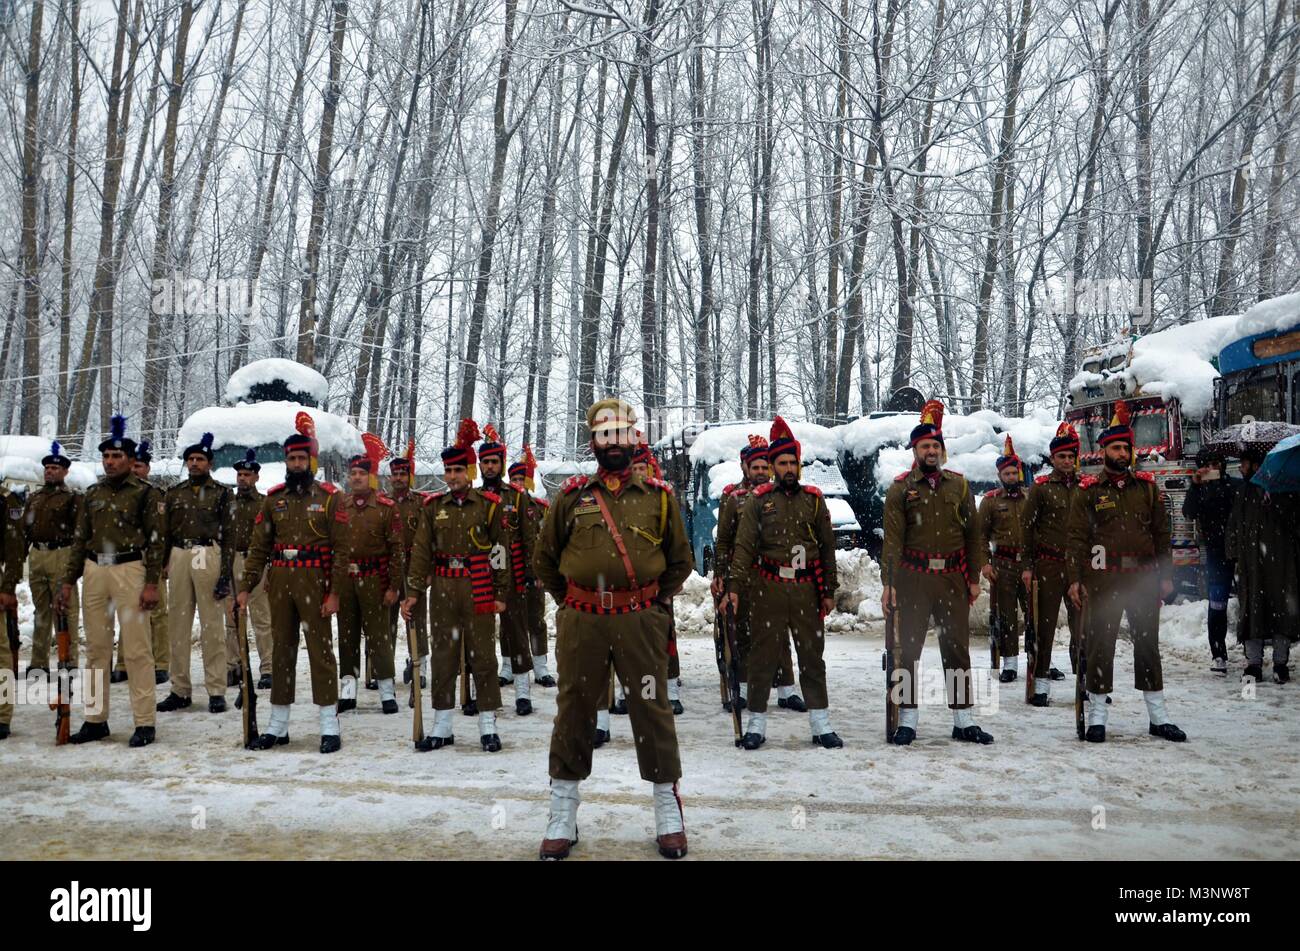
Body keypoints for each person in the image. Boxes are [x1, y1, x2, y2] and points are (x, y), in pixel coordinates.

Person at [534, 399, 692, 860]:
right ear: (594, 442)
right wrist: (572, 603)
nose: (614, 443)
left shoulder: (659, 497)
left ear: (634, 438)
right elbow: (545, 560)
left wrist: (649, 605)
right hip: (583, 622)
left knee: (652, 708)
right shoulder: (569, 497)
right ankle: (563, 813)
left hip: (639, 623)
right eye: (606, 435)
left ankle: (668, 811)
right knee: (574, 711)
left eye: (622, 434)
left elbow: (679, 562)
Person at [1066, 401, 1186, 743]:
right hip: (1104, 579)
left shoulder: (1147, 489)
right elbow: (1076, 539)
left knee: (1148, 645)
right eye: (1116, 447)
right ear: (1103, 450)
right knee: (1101, 645)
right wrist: (1075, 578)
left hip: (1143, 579)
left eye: (1126, 448)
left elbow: (1163, 535)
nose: (1122, 453)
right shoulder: (1089, 492)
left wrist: (1166, 576)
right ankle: (1098, 717)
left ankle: (1158, 716)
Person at [726, 417, 842, 750]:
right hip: (769, 587)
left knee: (812, 657)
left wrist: (828, 591)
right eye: (782, 462)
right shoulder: (759, 500)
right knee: (763, 657)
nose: (789, 468)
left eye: (793, 462)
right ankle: (756, 725)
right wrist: (734, 586)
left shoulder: (814, 499)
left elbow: (827, 547)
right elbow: (745, 546)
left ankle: (821, 724)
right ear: (774, 466)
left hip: (806, 589)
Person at [236, 416, 351, 754]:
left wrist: (334, 593)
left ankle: (329, 723)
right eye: (292, 458)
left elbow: (342, 551)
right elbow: (259, 548)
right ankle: (278, 725)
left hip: (315, 580)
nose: (297, 464)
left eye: (302, 458)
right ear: (285, 461)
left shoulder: (330, 498)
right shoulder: (273, 500)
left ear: (311, 461)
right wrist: (245, 586)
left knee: (320, 652)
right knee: (281, 651)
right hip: (281, 581)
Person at [880, 400, 991, 746]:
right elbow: (893, 542)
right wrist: (890, 584)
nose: (931, 450)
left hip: (951, 579)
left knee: (956, 648)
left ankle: (963, 720)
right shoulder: (900, 490)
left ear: (943, 450)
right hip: (913, 579)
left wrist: (973, 577)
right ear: (915, 450)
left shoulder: (958, 486)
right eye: (925, 445)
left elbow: (974, 535)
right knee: (907, 650)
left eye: (936, 446)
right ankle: (908, 720)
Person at [402, 419, 510, 752]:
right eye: (448, 470)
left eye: (458, 470)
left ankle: (488, 725)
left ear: (470, 472)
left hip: (478, 584)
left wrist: (502, 594)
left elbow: (500, 551)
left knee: (483, 656)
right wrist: (414, 593)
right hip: (445, 588)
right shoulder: (433, 508)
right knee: (444, 656)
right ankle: (442, 725)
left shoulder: (489, 506)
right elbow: (421, 552)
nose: (452, 477)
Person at [58, 415, 165, 747]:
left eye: (117, 456)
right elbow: (80, 539)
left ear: (131, 460)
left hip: (129, 569)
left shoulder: (146, 493)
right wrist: (67, 581)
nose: (110, 461)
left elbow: (157, 540)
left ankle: (144, 722)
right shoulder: (92, 494)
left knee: (136, 650)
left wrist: (151, 584)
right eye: (106, 456)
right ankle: (95, 719)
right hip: (94, 571)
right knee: (96, 650)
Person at [712, 437, 803, 713]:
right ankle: (741, 689)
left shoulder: (782, 495)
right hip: (744, 575)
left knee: (779, 634)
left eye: (765, 466)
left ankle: (786, 690)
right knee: (741, 633)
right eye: (756, 467)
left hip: (774, 575)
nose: (761, 471)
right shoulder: (734, 497)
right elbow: (724, 540)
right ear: (745, 467)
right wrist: (720, 574)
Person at [157, 433, 235, 714]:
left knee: (212, 624)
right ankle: (179, 689)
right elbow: (165, 532)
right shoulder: (174, 493)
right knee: (177, 624)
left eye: (199, 459)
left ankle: (216, 690)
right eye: (190, 459)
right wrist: (164, 562)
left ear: (209, 463)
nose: (194, 463)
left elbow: (230, 536)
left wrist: (225, 574)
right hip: (179, 553)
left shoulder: (223, 493)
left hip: (206, 552)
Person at [337, 444, 404, 714]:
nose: (356, 478)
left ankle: (387, 691)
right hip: (346, 581)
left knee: (379, 637)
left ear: (371, 477)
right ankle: (348, 691)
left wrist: (393, 586)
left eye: (361, 474)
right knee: (347, 637)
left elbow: (397, 550)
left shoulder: (386, 508)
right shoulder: (340, 506)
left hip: (375, 579)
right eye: (352, 473)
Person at [1224, 447, 1299, 683]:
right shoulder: (1244, 492)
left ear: (1257, 466)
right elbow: (1234, 525)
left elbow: (1295, 528)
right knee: (1252, 613)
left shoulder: (1289, 493)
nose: (1241, 468)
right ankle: (1253, 664)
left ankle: (1280, 664)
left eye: (1244, 464)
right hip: (1251, 565)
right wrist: (1235, 555)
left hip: (1283, 566)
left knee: (1282, 613)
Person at [1021, 423, 1081, 705]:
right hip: (1048, 564)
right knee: (1044, 626)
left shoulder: (1087, 488)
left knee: (1083, 626)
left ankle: (1087, 684)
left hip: (1079, 568)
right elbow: (1027, 528)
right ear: (1053, 459)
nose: (1067, 461)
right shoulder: (1041, 489)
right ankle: (1041, 683)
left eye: (1071, 456)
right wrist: (1028, 565)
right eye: (1062, 457)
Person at [478, 425, 535, 715]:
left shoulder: (516, 496)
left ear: (501, 464)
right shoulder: (474, 498)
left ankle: (523, 692)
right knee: (481, 634)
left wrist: (527, 573)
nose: (490, 466)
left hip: (511, 574)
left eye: (494, 462)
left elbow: (528, 538)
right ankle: (482, 692)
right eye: (485, 462)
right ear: (479, 465)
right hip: (480, 576)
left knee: (517, 630)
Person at [22, 442, 82, 676]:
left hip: (61, 554)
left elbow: (80, 532)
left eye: (55, 468)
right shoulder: (35, 497)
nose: (50, 471)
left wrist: (75, 564)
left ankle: (69, 660)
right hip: (37, 554)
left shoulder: (72, 498)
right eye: (47, 467)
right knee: (41, 612)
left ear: (65, 471)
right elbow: (25, 528)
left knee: (65, 610)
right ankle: (38, 663)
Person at [113, 440, 169, 685]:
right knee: (128, 611)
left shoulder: (156, 495)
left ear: (147, 469)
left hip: (153, 557)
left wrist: (165, 561)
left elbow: (166, 531)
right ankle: (123, 663)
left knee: (157, 612)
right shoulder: (119, 494)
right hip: (127, 558)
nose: (135, 470)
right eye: (132, 466)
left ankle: (161, 662)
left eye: (140, 466)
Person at [1183, 449, 1240, 674]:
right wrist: (1196, 485)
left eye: (1217, 463)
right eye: (1208, 464)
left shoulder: (1236, 486)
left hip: (1242, 552)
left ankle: (1251, 653)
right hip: (1216, 555)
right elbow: (1188, 512)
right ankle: (1218, 653)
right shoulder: (1200, 488)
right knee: (1217, 604)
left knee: (1250, 603)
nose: (1213, 468)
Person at [979, 436, 1030, 684]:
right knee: (1007, 616)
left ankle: (1040, 660)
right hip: (1004, 564)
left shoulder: (1031, 498)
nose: (1012, 477)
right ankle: (1010, 663)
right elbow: (980, 536)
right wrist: (985, 563)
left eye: (1015, 472)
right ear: (1000, 475)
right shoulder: (991, 502)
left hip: (1029, 565)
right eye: (1007, 473)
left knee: (1037, 614)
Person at [225, 450, 273, 690]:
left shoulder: (265, 503)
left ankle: (268, 669)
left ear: (256, 477)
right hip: (231, 561)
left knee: (262, 618)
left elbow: (273, 537)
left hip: (257, 561)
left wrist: (271, 569)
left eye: (247, 474)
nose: (242, 478)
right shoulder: (227, 502)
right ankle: (233, 666)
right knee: (232, 618)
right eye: (239, 474)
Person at [508, 447, 554, 688]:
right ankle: (508, 666)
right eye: (513, 479)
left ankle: (540, 666)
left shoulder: (541, 507)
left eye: (521, 478)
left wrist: (540, 572)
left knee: (536, 619)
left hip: (533, 573)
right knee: (510, 621)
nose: (517, 483)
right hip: (510, 572)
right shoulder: (505, 507)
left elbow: (546, 542)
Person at [388, 450, 430, 698]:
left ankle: (420, 664)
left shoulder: (422, 503)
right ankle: (385, 669)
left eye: (403, 474)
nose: (399, 478)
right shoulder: (383, 502)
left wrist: (427, 571)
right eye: (395, 474)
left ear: (410, 476)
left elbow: (428, 539)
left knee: (417, 618)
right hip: (391, 568)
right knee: (388, 620)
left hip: (415, 566)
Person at [0, 482, 25, 739]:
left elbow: (15, 548)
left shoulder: (6, 501)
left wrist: (8, 586)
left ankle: (2, 714)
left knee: (1, 653)